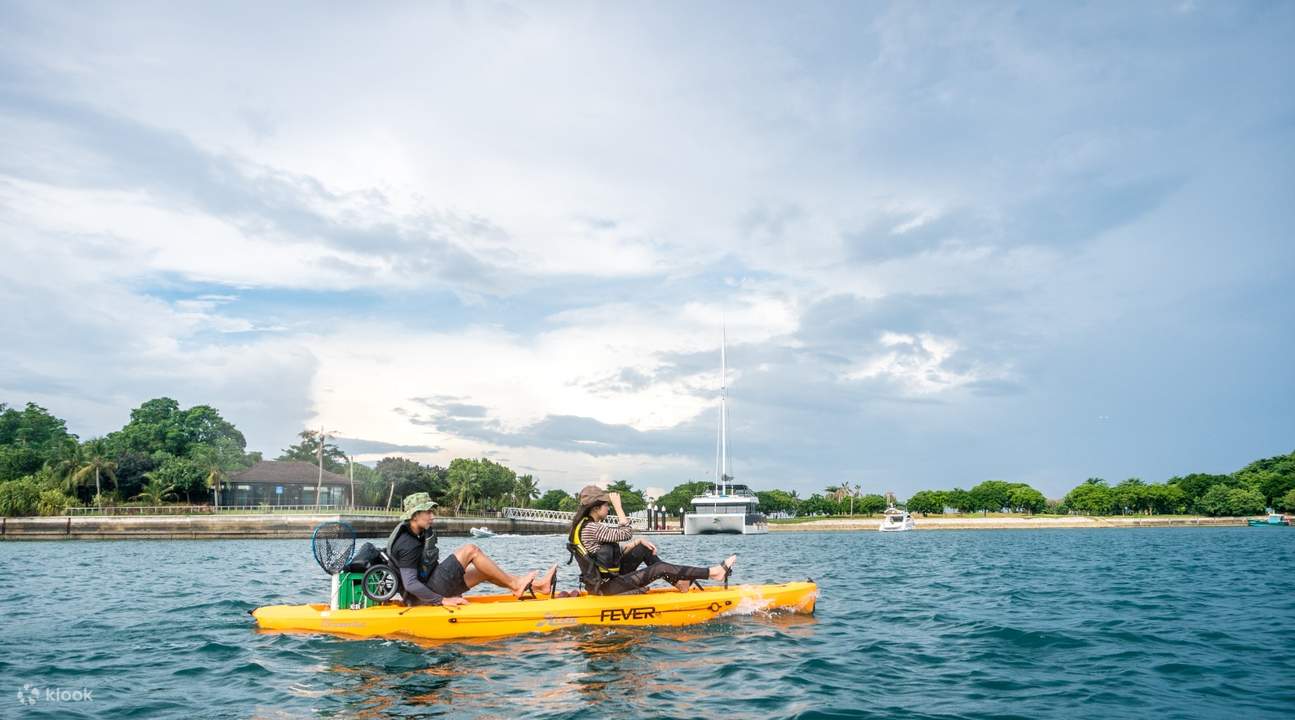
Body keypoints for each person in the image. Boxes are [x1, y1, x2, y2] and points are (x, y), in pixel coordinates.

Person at [387, 492, 556, 607]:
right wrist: (443, 600)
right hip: (421, 598)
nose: (433, 516)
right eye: (428, 512)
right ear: (415, 515)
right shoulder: (407, 543)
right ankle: (516, 585)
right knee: (471, 550)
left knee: (482, 571)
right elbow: (410, 585)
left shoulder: (418, 533)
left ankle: (539, 587)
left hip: (432, 584)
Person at [568, 485, 735, 595]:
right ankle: (713, 573)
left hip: (609, 579)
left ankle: (680, 583)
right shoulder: (592, 528)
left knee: (643, 549)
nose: (609, 507)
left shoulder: (588, 526)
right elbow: (625, 532)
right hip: (606, 588)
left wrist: (636, 543)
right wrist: (619, 508)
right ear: (596, 508)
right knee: (659, 568)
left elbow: (608, 555)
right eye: (607, 505)